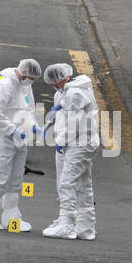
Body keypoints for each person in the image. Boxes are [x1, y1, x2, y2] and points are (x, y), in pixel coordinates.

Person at [0, 58, 43, 232]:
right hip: (4, 138)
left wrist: (34, 127)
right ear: (24, 73)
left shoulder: (25, 86)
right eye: (31, 78)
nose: (32, 81)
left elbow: (29, 109)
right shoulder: (6, 85)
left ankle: (11, 216)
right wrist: (11, 129)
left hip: (20, 138)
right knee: (1, 177)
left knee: (16, 178)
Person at [41, 62, 100, 241]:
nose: (52, 86)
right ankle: (86, 227)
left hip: (78, 143)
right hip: (82, 142)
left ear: (61, 78)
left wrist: (60, 140)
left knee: (67, 182)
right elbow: (67, 105)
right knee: (83, 184)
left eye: (53, 82)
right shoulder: (72, 89)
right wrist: (58, 106)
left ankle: (67, 224)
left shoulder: (74, 93)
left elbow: (74, 124)